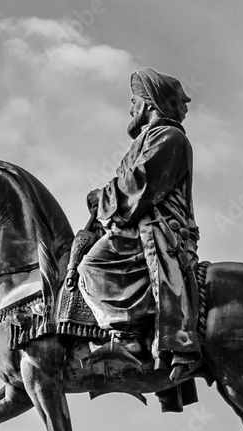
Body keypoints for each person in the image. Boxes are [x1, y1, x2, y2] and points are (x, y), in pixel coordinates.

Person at [75, 68, 201, 381]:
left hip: (155, 229)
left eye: (135, 101)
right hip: (135, 225)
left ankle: (128, 338)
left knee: (90, 267)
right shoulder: (151, 138)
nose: (131, 108)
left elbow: (141, 184)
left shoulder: (169, 137)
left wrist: (103, 196)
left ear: (148, 104)